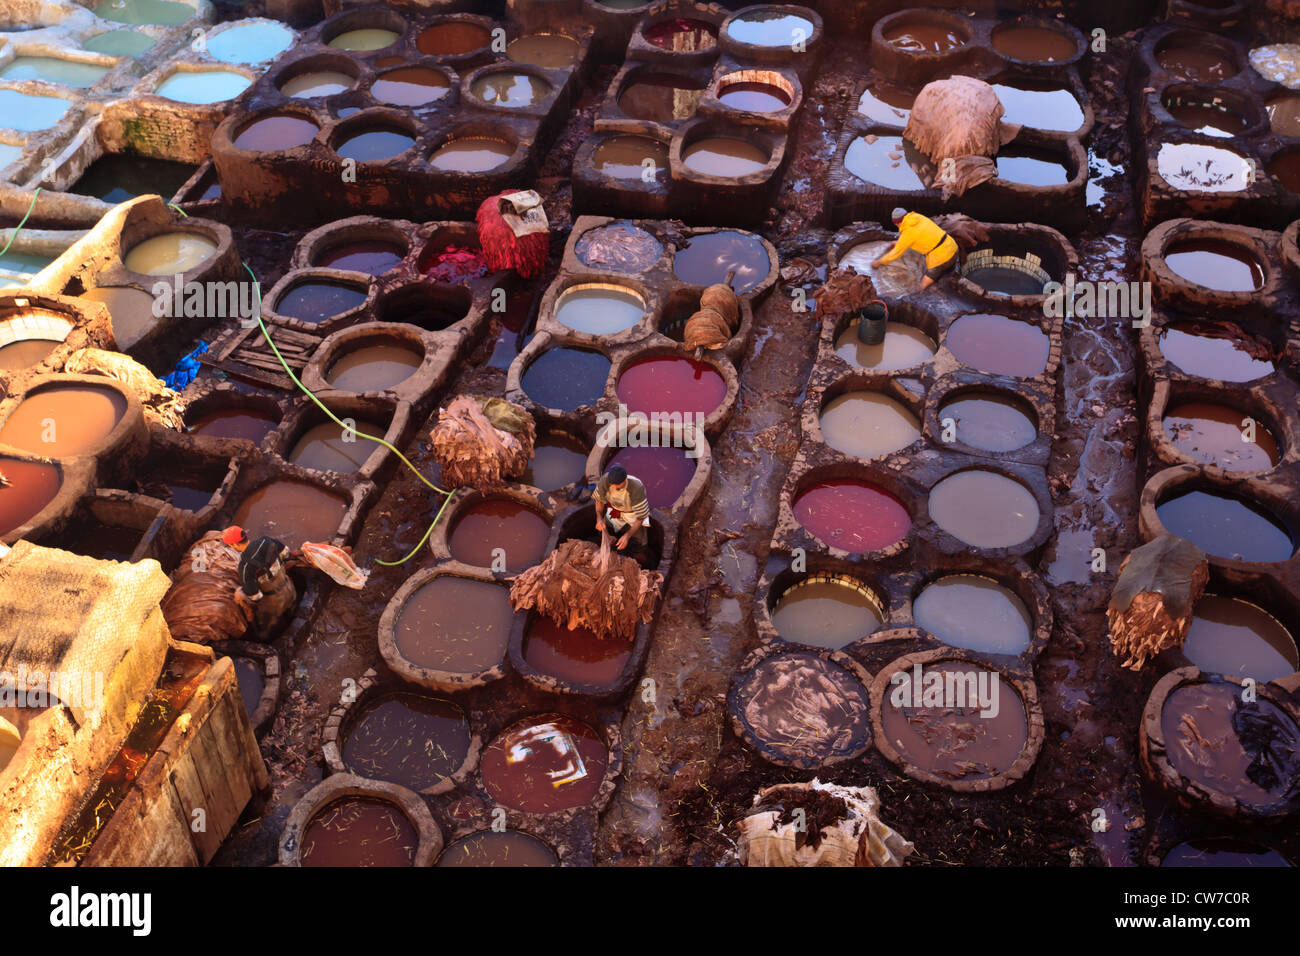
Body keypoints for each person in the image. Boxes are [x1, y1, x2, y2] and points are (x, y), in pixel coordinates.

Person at [223, 526, 297, 640]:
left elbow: (256, 597)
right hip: (289, 589)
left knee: (267, 627)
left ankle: (265, 639)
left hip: (274, 603)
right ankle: (292, 621)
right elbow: (286, 554)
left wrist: (241, 594)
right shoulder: (267, 540)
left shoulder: (245, 566)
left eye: (230, 545)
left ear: (234, 545)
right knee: (292, 613)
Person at [873, 207, 958, 290]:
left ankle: (921, 293)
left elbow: (895, 254)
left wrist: (879, 262)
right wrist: (898, 243)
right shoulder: (918, 217)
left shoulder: (908, 233)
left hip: (944, 257)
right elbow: (918, 236)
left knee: (922, 286)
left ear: (897, 223)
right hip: (952, 245)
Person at [593, 464, 650, 560]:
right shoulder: (605, 480)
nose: (614, 488)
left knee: (640, 541)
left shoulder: (636, 487)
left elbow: (640, 518)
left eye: (617, 485)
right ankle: (610, 549)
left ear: (625, 480)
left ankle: (638, 555)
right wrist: (599, 518)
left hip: (633, 515)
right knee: (604, 530)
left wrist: (627, 536)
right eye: (612, 485)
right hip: (615, 511)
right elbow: (599, 501)